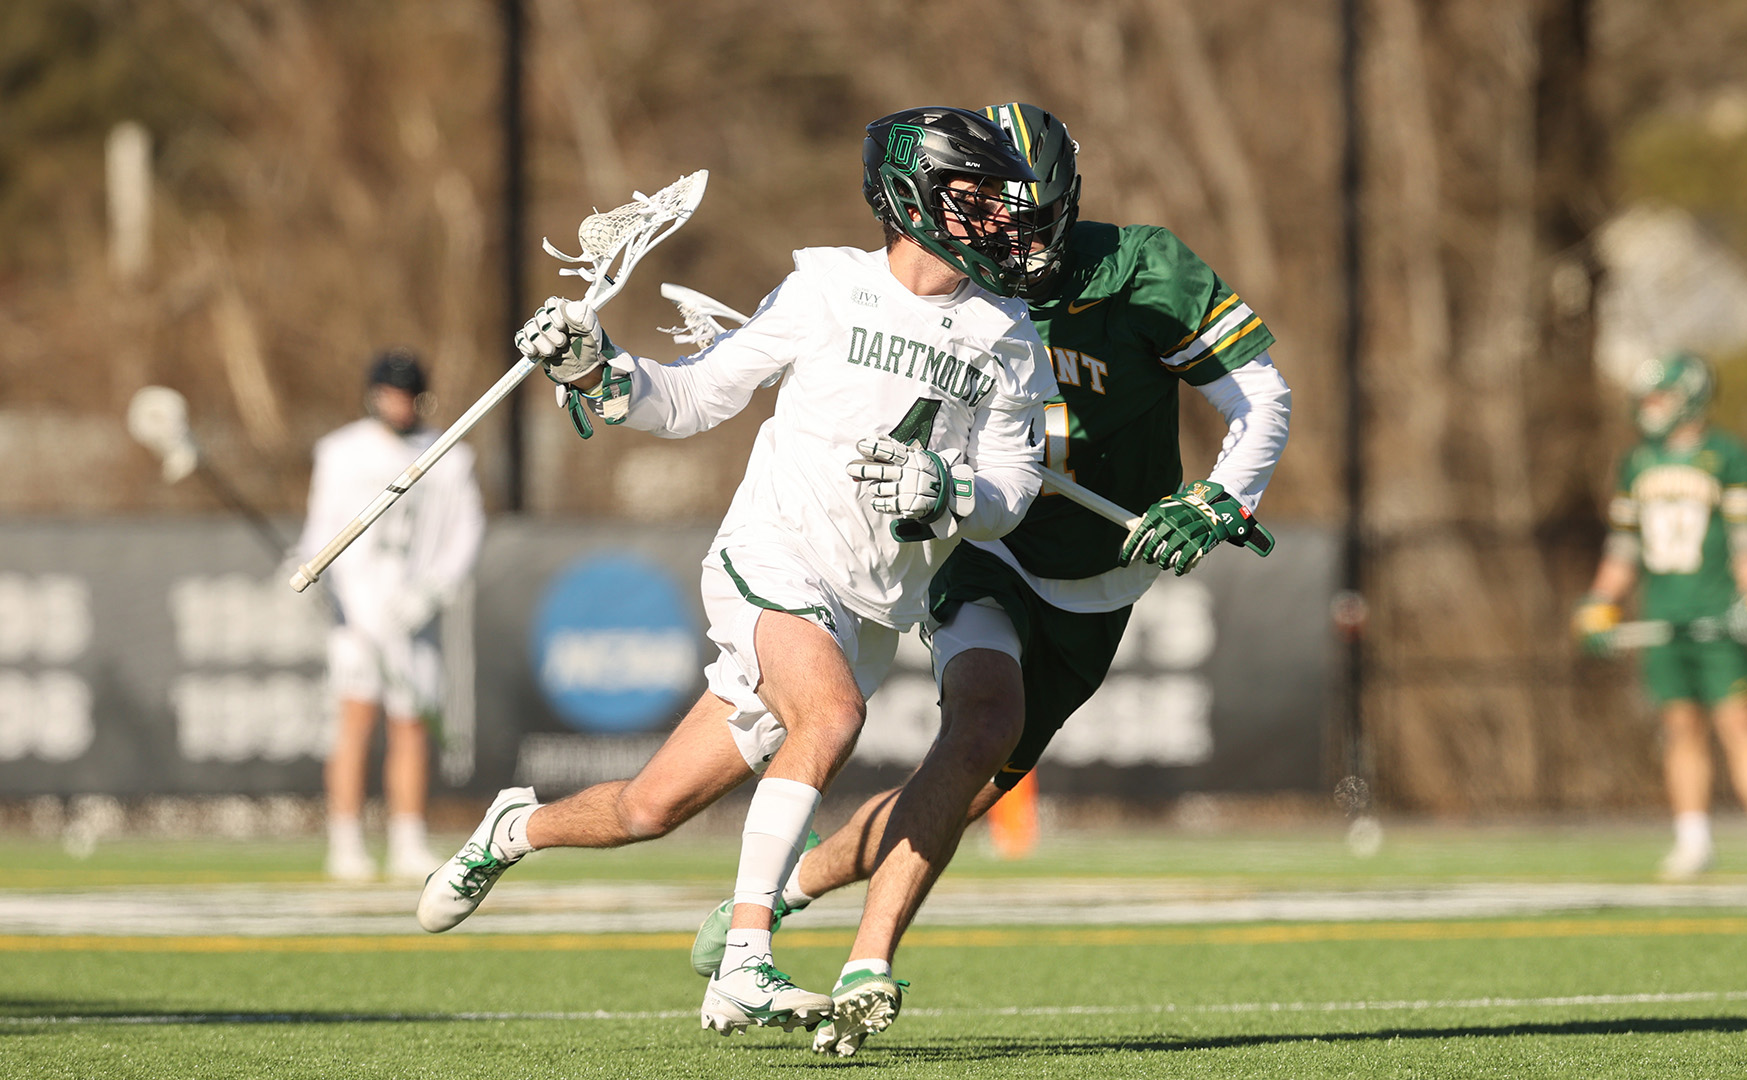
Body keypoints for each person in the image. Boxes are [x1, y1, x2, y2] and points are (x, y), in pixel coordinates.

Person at [413, 107, 1058, 1039]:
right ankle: (744, 963)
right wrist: (599, 373)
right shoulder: (823, 287)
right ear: (914, 197)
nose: (1000, 218)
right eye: (975, 196)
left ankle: (510, 831)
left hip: (872, 607)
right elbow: (691, 396)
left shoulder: (1008, 332)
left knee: (649, 807)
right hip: (775, 554)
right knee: (831, 716)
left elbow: (1014, 487)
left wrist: (952, 489)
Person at [684, 103, 1294, 1057]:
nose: (996, 237)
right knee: (980, 720)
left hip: (1099, 578)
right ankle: (866, 964)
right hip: (983, 541)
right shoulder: (954, 292)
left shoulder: (1141, 269)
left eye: (1019, 216)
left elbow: (1259, 392)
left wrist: (1221, 496)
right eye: (979, 210)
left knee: (964, 784)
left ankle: (792, 882)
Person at [1574, 352, 1747, 881]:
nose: (1651, 407)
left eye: (1662, 397)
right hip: (1665, 613)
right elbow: (1624, 546)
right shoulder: (1637, 463)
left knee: (1740, 722)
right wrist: (1600, 600)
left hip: (1717, 611)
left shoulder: (1729, 456)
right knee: (1680, 727)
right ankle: (1692, 839)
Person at [293, 349, 484, 882]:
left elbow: (465, 533)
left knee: (410, 726)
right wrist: (313, 568)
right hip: (356, 613)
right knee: (355, 721)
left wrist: (434, 590)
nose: (399, 405)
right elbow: (322, 524)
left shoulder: (449, 453)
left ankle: (407, 838)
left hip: (411, 613)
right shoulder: (340, 452)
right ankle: (346, 841)